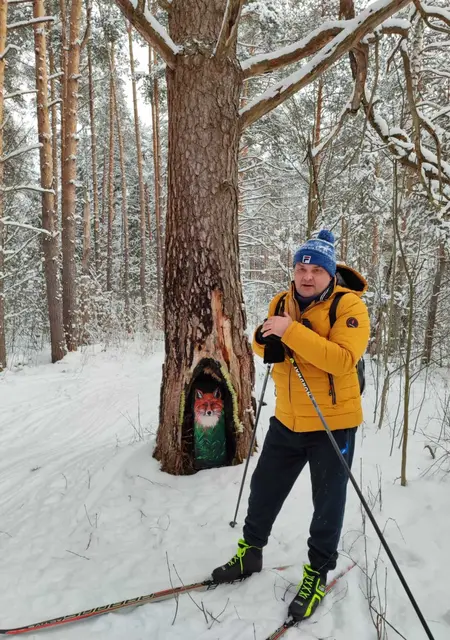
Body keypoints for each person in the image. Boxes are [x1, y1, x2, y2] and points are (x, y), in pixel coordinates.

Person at [211, 229, 370, 621]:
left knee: (327, 504)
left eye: (316, 270)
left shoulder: (349, 306)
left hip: (332, 424)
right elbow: (262, 343)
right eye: (301, 267)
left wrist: (290, 332)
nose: (307, 276)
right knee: (264, 489)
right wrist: (264, 337)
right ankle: (250, 553)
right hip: (288, 419)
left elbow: (342, 360)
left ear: (330, 274)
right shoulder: (282, 301)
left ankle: (317, 573)